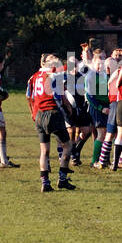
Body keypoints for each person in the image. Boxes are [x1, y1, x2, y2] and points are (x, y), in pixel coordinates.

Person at [26, 54, 78, 193]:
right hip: (52, 113)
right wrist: (67, 106)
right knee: (67, 146)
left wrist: (33, 112)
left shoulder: (34, 76)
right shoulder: (54, 74)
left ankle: (45, 183)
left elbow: (29, 96)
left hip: (39, 114)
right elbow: (62, 90)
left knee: (44, 151)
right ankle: (62, 179)